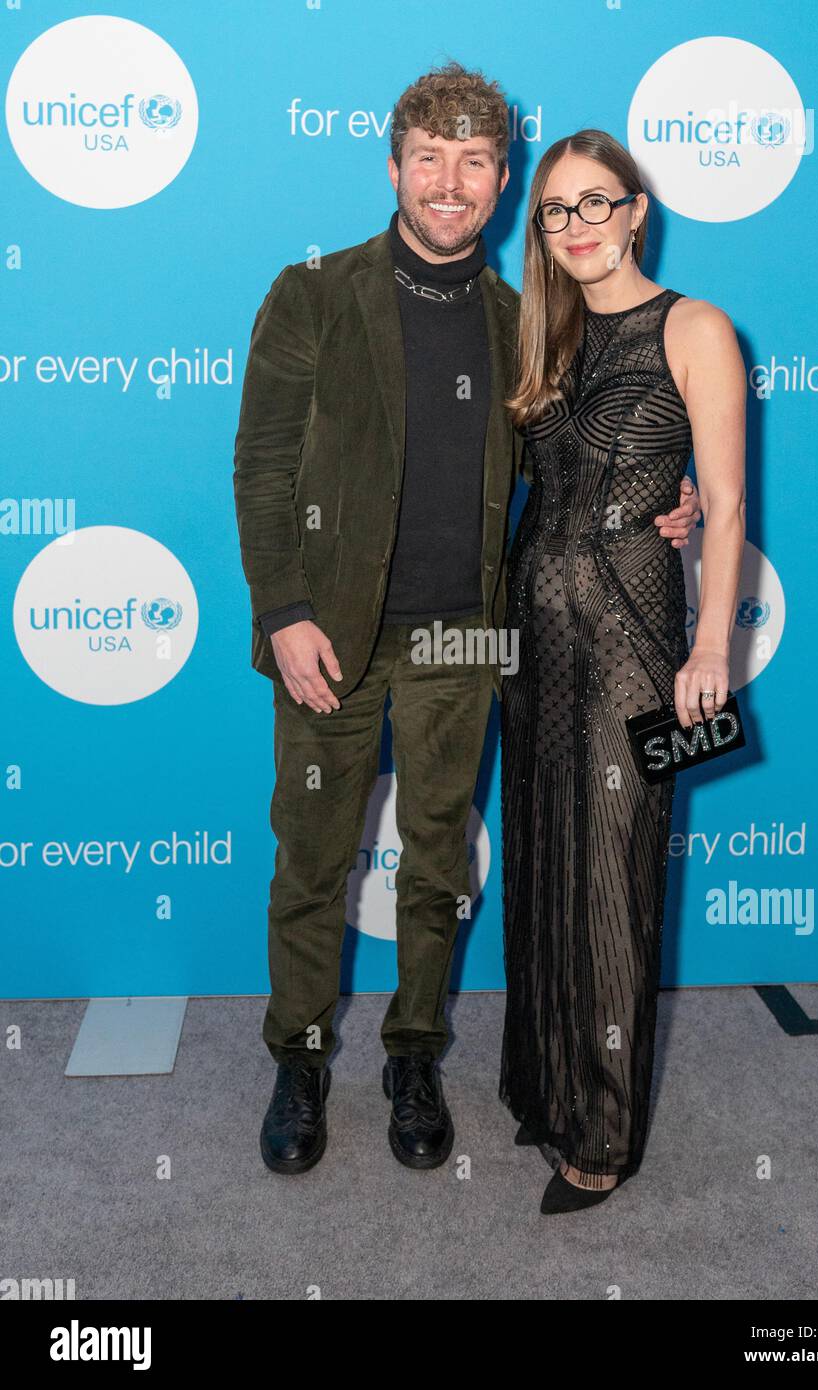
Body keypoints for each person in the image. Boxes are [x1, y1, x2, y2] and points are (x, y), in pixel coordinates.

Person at [232, 64, 702, 1179]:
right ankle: (298, 1063)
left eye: (475, 162)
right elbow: (260, 466)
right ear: (393, 165)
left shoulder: (522, 324)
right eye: (429, 158)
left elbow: (592, 454)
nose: (449, 182)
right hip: (330, 636)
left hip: (470, 639)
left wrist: (666, 506)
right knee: (309, 860)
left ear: (499, 186)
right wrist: (285, 609)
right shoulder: (312, 294)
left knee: (437, 864)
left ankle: (412, 1056)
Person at [499, 129, 746, 1214]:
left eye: (595, 203)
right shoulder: (540, 336)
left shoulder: (693, 326)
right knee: (544, 860)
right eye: (555, 211)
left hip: (635, 638)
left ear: (634, 208)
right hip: (531, 637)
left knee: (612, 875)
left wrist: (710, 646)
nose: (577, 226)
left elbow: (725, 503)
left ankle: (599, 1139)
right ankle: (547, 1087)